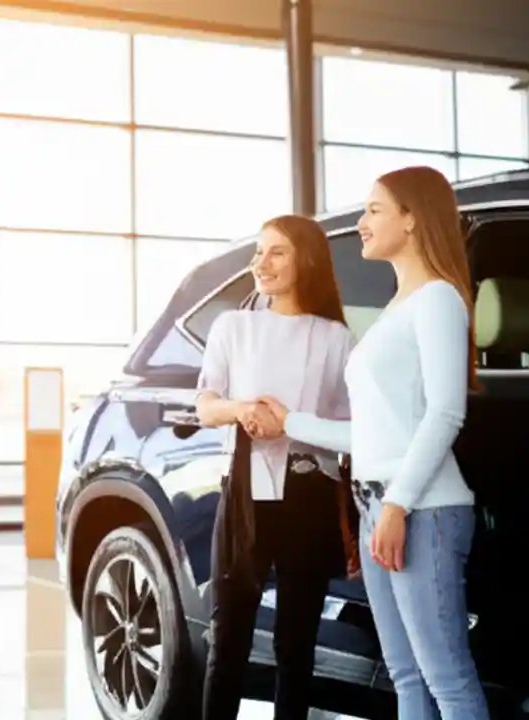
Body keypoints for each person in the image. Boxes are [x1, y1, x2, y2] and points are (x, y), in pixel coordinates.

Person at [260, 166, 490, 720]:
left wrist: (396, 505)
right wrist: (290, 422)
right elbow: (373, 434)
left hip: (421, 510)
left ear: (412, 219)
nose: (361, 223)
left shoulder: (437, 299)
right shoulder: (399, 306)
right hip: (379, 506)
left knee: (448, 680)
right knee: (406, 677)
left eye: (374, 210)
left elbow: (445, 413)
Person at [195, 215, 356, 720]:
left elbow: (347, 428)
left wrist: (293, 425)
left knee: (296, 647)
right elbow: (206, 406)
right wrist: (242, 411)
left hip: (309, 496)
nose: (260, 264)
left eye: (276, 252)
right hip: (245, 492)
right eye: (259, 252)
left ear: (305, 260)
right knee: (229, 642)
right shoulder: (233, 326)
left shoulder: (335, 338)